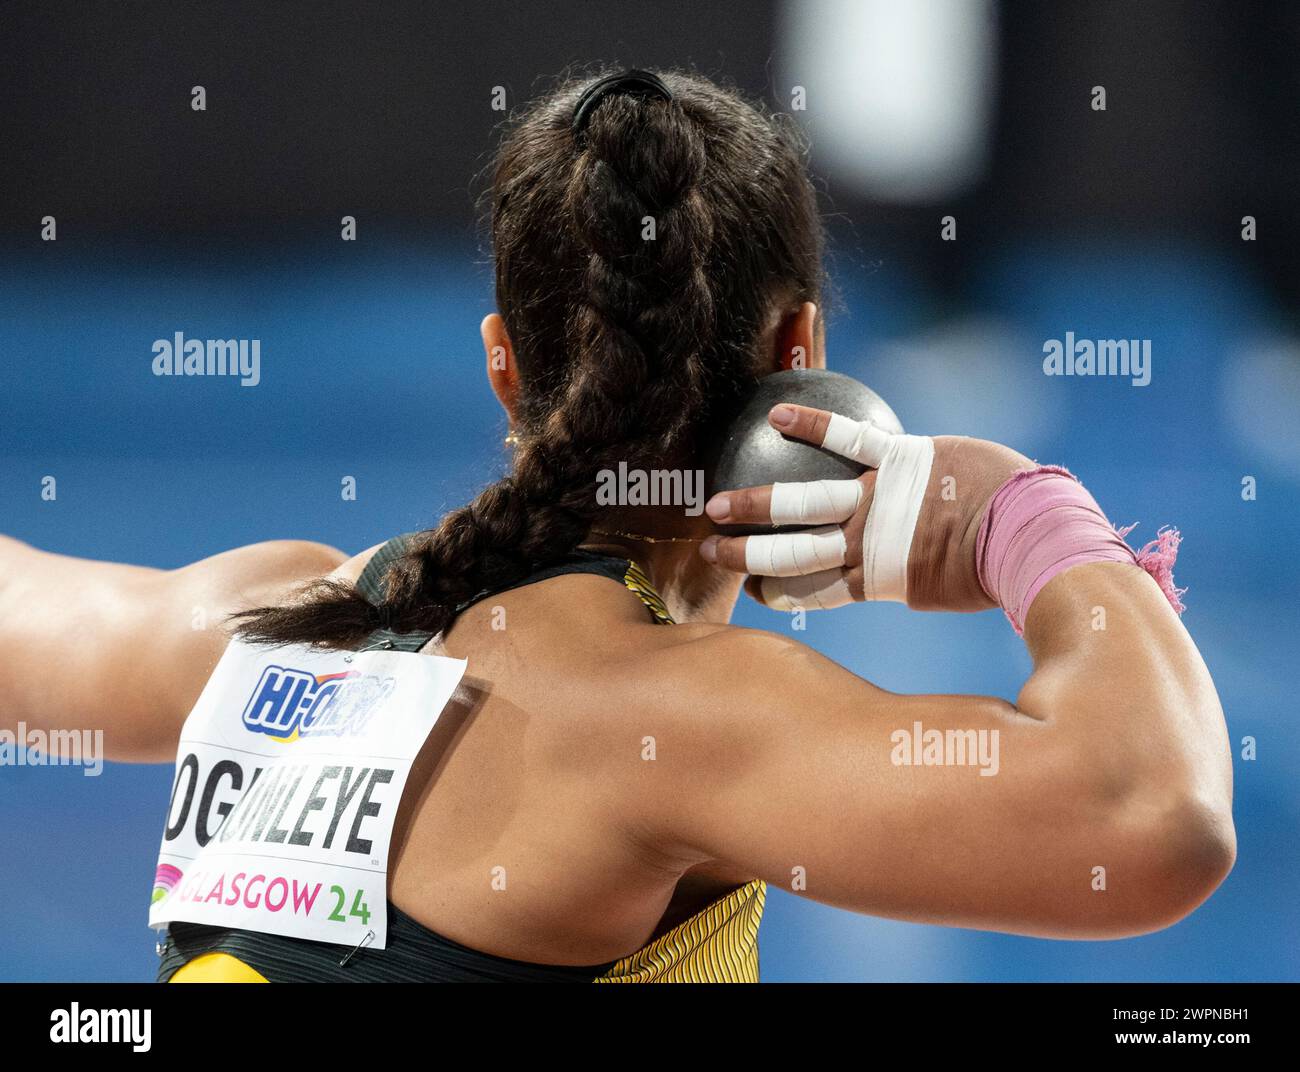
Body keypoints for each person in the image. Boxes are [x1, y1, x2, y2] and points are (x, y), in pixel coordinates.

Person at [0, 69, 1234, 983]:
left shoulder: (265, 621)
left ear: (504, 369)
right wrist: (1021, 518)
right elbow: (1152, 819)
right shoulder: (675, 718)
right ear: (802, 356)